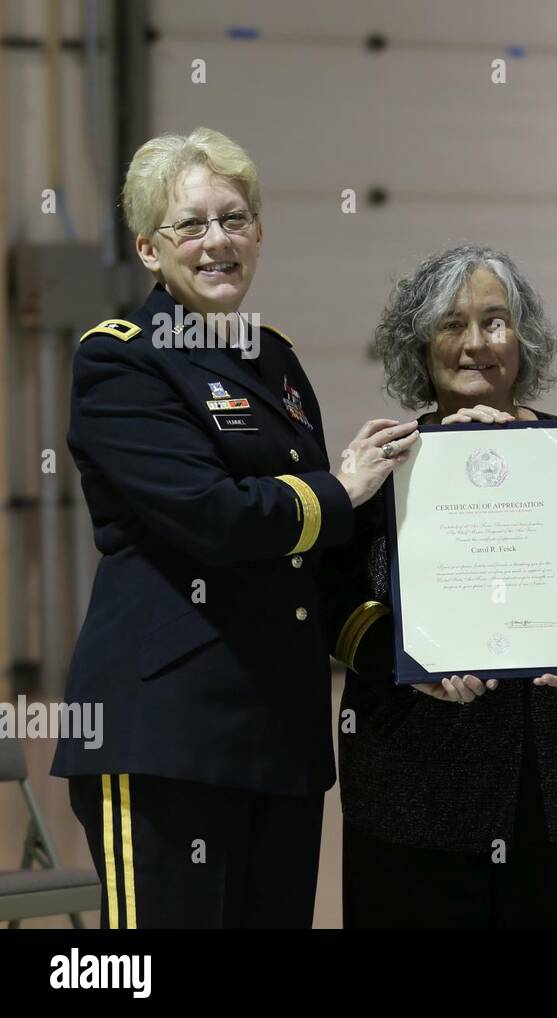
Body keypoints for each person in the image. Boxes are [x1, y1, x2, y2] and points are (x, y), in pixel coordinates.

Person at [51, 127, 418, 928]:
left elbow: (315, 559)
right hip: (165, 737)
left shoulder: (274, 361)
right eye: (192, 224)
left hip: (278, 739)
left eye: (236, 218)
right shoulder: (121, 362)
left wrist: (411, 651)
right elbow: (212, 517)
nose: (218, 241)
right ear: (150, 249)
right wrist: (339, 487)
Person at [327, 244, 557, 928]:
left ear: (525, 341)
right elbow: (332, 605)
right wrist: (408, 661)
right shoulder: (383, 464)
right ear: (419, 345)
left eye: (495, 321)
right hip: (412, 787)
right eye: (451, 324)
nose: (475, 344)